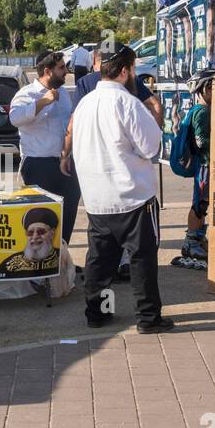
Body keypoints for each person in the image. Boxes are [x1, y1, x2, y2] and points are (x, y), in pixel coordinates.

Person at [71, 45, 172, 334]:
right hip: (132, 197)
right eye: (135, 69)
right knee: (142, 260)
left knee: (99, 261)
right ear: (126, 71)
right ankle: (148, 318)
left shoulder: (85, 103)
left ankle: (98, 313)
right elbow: (150, 146)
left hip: (96, 198)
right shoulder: (129, 103)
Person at [10, 50, 80, 242]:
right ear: (48, 71)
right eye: (62, 68)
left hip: (65, 162)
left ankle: (62, 259)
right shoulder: (26, 93)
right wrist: (43, 102)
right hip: (38, 164)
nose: (66, 71)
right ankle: (42, 265)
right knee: (41, 217)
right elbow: (15, 118)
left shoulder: (65, 93)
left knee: (68, 212)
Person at [172, 67, 215, 268]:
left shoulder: (200, 110)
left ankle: (197, 239)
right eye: (214, 87)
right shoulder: (202, 112)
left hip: (205, 165)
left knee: (202, 204)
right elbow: (200, 141)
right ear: (204, 88)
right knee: (200, 204)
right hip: (205, 165)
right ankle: (191, 242)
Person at [0, 208, 60, 274]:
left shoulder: (61, 257)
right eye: (30, 232)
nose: (35, 237)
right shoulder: (11, 262)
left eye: (41, 231)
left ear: (52, 233)